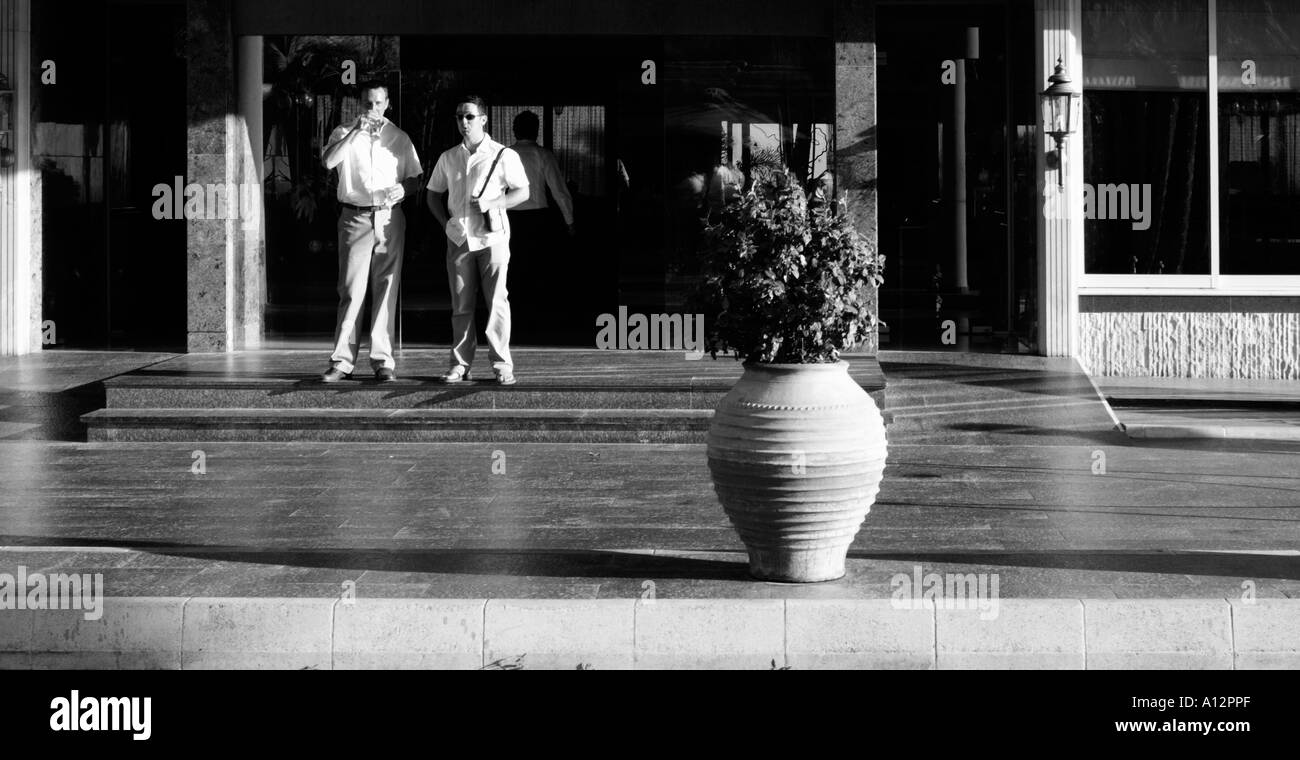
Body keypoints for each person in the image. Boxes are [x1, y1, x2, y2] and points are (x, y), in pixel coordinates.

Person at [318, 82, 421, 383]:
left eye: (377, 103)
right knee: (351, 291)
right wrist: (355, 132)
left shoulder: (399, 138)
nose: (372, 109)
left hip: (389, 218)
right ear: (359, 104)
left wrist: (404, 188)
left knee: (387, 290)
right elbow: (328, 162)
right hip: (355, 217)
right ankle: (342, 361)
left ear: (387, 103)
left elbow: (415, 177)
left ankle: (382, 360)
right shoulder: (342, 133)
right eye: (366, 103)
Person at [425, 95, 530, 384]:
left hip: (492, 237)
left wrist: (494, 202)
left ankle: (501, 364)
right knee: (460, 304)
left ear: (483, 118)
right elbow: (433, 193)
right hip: (459, 237)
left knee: (497, 300)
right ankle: (460, 363)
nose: (464, 121)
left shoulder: (502, 154)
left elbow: (523, 192)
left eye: (470, 116)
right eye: (460, 116)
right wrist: (445, 224)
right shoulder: (449, 157)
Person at [506, 110, 575, 340]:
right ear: (536, 130)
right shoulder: (543, 155)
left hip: (510, 217)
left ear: (515, 130)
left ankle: (514, 319)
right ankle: (536, 318)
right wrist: (570, 221)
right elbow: (559, 191)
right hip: (537, 218)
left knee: (512, 269)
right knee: (537, 268)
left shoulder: (505, 154)